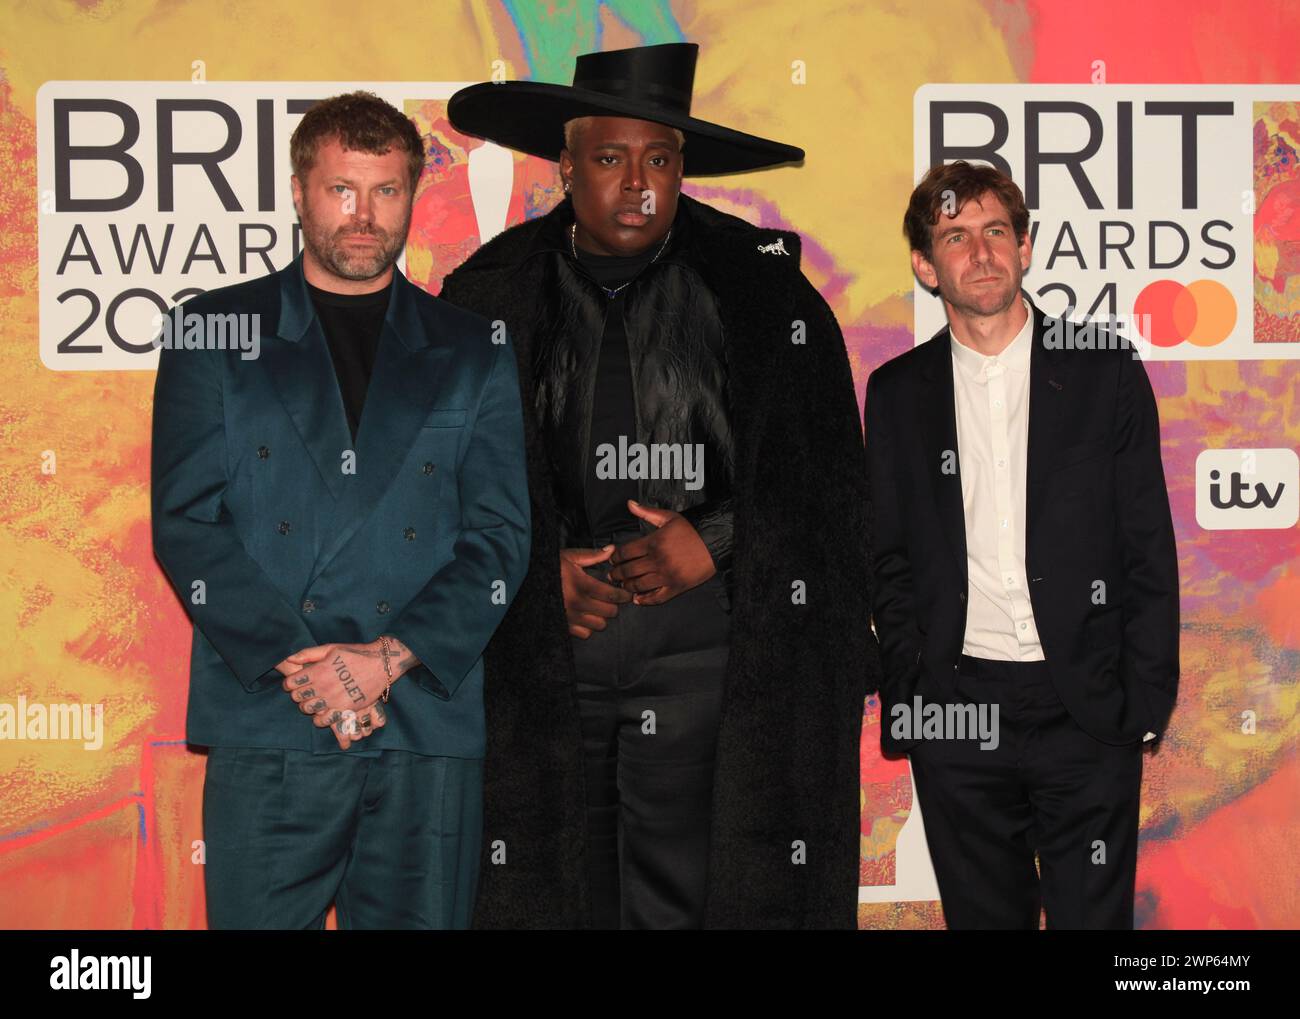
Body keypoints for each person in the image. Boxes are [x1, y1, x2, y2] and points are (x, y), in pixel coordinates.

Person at [440, 42, 877, 929]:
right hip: (541, 653)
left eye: (660, 159)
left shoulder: (768, 300)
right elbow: (430, 488)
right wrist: (534, 574)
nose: (637, 182)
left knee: (698, 891)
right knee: (557, 891)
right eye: (610, 158)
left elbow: (826, 487)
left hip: (707, 650)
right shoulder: (485, 298)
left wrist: (709, 541)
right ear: (565, 167)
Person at [150, 91, 530, 929]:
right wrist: (308, 666)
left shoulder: (473, 347)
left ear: (412, 197)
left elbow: (501, 540)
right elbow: (185, 521)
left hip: (422, 721)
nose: (364, 215)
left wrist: (385, 659)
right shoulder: (212, 330)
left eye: (386, 191)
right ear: (298, 191)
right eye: (341, 189)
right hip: (271, 719)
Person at [866, 160, 1179, 929]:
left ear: (1026, 246)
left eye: (996, 231)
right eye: (955, 235)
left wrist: (1141, 703)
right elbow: (887, 556)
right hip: (957, 710)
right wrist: (915, 684)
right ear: (924, 263)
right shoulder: (898, 393)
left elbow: (1148, 548)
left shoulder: (1102, 370)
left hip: (1084, 707)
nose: (980, 252)